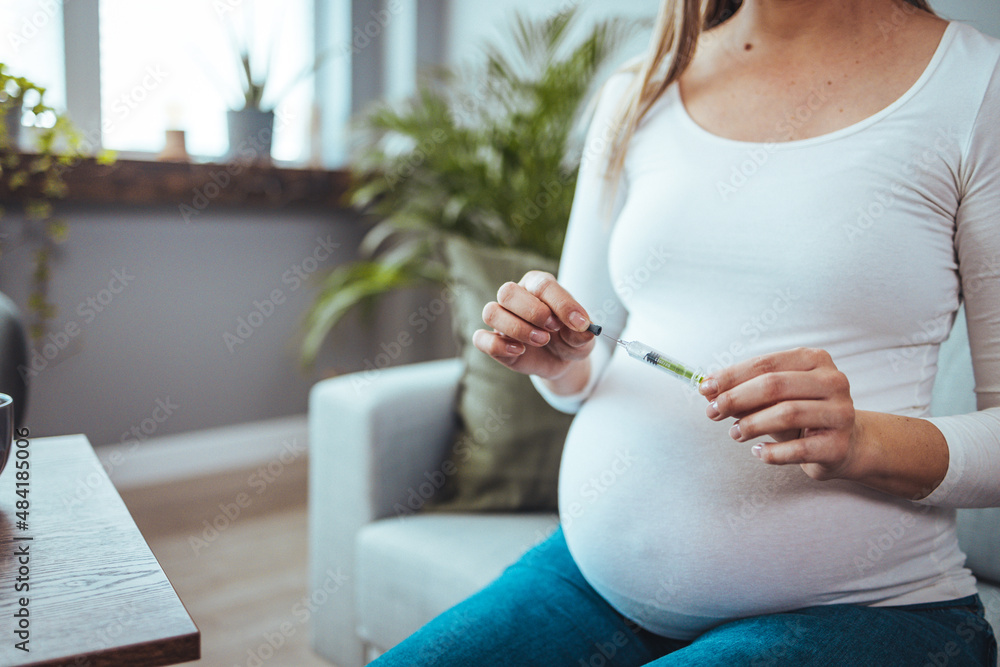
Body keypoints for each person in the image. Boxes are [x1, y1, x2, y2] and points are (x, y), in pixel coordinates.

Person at [372, 0, 1000, 664]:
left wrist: (862, 440)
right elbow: (586, 361)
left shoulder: (975, 85)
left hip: (868, 610)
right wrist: (558, 361)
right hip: (592, 582)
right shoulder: (641, 88)